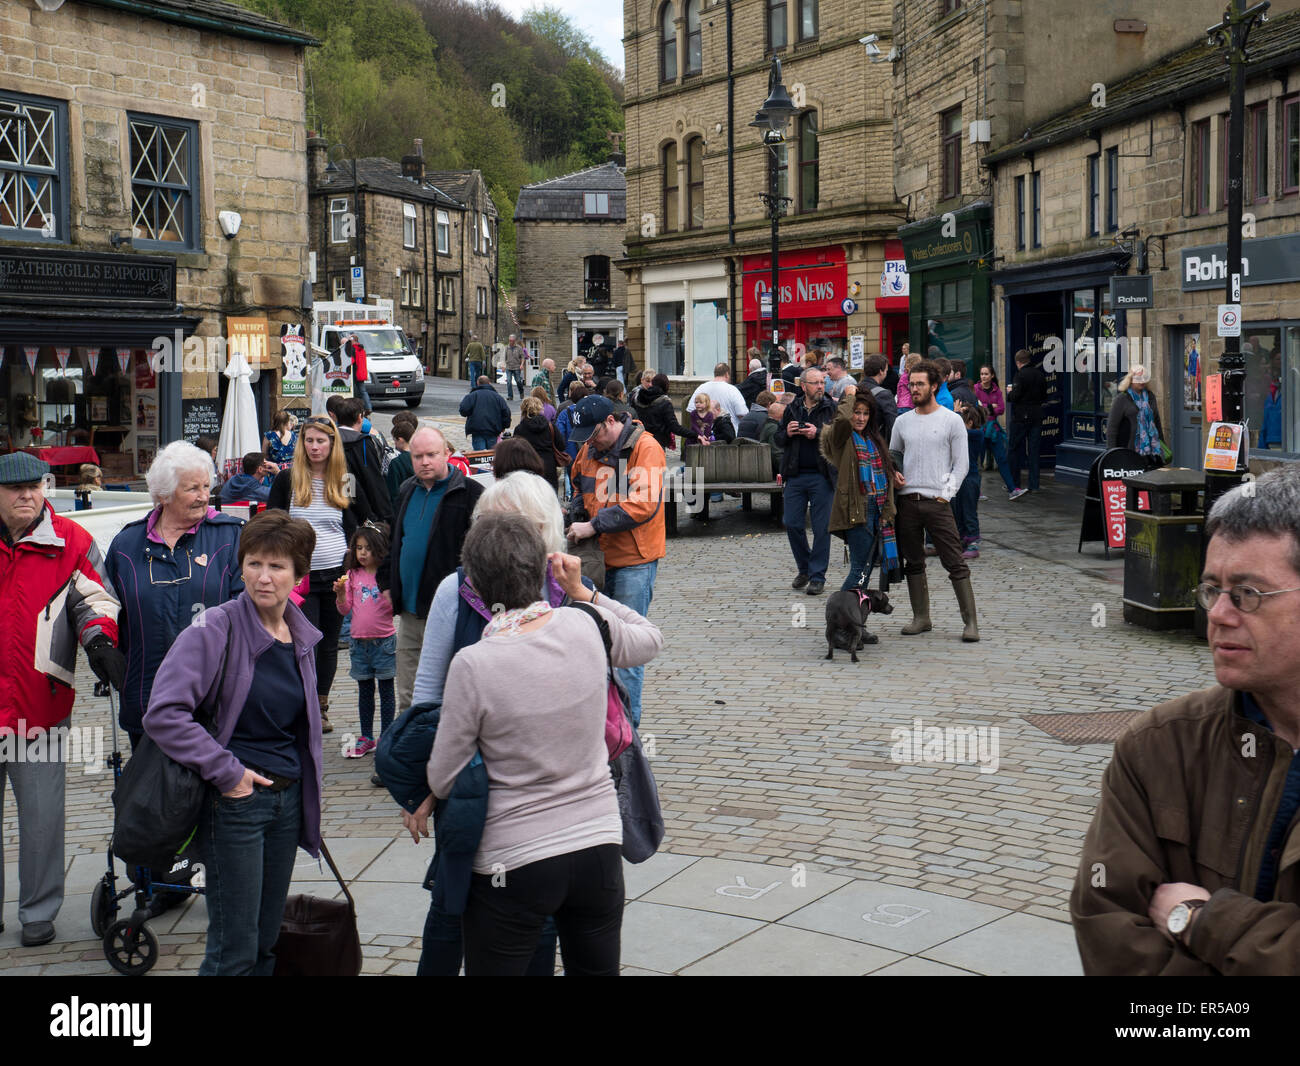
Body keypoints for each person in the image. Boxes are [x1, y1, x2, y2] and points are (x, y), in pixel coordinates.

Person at [1070, 465, 1300, 975]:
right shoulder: (1159, 746)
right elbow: (1107, 926)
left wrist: (1199, 921)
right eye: (1212, 589)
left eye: (1248, 593)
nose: (1218, 613)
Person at [428, 513, 663, 975]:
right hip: (596, 843)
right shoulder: (583, 626)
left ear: (473, 581)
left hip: (513, 858)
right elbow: (650, 639)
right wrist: (586, 593)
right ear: (542, 568)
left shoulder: (474, 664)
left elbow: (443, 775)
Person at [406, 471, 591, 975]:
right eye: (490, 523)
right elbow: (428, 694)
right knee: (450, 905)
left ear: (544, 529)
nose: (499, 537)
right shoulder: (455, 590)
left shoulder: (574, 593)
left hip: (544, 793)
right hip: (468, 785)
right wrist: (423, 786)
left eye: (514, 525)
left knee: (536, 921)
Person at [144, 510, 324, 976]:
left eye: (277, 566)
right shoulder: (214, 628)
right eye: (254, 564)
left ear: (299, 574)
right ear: (240, 566)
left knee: (266, 942)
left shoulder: (300, 634)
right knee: (233, 949)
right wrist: (229, 774)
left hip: (286, 802)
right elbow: (164, 714)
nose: (264, 577)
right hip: (237, 805)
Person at [0, 452, 123, 947]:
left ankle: (38, 911)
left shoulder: (72, 543)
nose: (28, 496)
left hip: (39, 706)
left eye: (36, 486)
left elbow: (96, 598)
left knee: (42, 818)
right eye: (15, 490)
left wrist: (98, 639)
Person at [107, 440, 245, 747]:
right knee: (151, 789)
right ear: (165, 494)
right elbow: (107, 607)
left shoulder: (230, 536)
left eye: (207, 486)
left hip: (213, 694)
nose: (204, 497)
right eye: (192, 488)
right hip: (145, 690)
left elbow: (246, 604)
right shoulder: (127, 544)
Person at [566, 394, 666, 726]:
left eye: (594, 435)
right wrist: (579, 507)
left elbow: (642, 506)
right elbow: (578, 480)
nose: (590, 443)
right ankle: (608, 732)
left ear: (611, 421)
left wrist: (592, 524)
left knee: (626, 651)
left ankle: (627, 738)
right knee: (595, 648)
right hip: (599, 558)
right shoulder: (589, 447)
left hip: (634, 560)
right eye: (585, 439)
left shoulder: (645, 448)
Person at [267, 415, 371, 734]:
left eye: (321, 441)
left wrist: (356, 560)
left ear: (332, 444)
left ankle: (321, 705)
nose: (314, 447)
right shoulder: (287, 480)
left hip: (337, 574)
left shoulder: (344, 479)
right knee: (304, 642)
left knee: (327, 643)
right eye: (309, 441)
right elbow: (272, 523)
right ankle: (305, 703)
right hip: (301, 577)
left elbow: (359, 520)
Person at [388, 427, 484, 717]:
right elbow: (395, 540)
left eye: (431, 455)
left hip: (449, 610)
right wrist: (386, 582)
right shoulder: (406, 490)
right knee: (408, 690)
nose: (424, 462)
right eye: (418, 456)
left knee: (448, 688)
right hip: (409, 610)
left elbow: (480, 554)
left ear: (447, 454)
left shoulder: (471, 494)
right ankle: (411, 752)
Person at [890, 359, 978, 642]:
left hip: (937, 502)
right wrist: (894, 475)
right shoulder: (902, 422)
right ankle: (921, 617)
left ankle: (970, 622)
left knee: (955, 562)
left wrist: (946, 495)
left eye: (920, 384)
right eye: (911, 384)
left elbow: (961, 464)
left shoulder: (952, 420)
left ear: (934, 386)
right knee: (913, 561)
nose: (914, 389)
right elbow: (893, 458)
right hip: (907, 502)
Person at [821, 386, 898, 594]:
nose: (861, 418)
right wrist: (849, 396)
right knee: (858, 570)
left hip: (877, 509)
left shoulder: (873, 440)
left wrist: (887, 509)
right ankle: (840, 615)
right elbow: (843, 421)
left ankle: (853, 620)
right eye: (857, 412)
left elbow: (883, 474)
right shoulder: (842, 440)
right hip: (857, 509)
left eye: (865, 413)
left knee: (865, 570)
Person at [334, 521, 395, 759]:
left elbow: (395, 606)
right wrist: (340, 594)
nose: (362, 553)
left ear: (380, 549)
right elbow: (345, 609)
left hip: (385, 642)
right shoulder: (352, 575)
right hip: (358, 643)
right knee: (365, 691)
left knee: (387, 691)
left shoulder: (385, 576)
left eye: (368, 548)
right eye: (358, 548)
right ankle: (366, 737)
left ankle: (387, 736)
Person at [776, 368, 838, 596]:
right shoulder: (792, 407)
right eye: (815, 383)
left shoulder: (831, 408)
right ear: (803, 386)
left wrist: (819, 432)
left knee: (822, 528)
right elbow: (778, 438)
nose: (821, 386)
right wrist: (788, 433)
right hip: (795, 474)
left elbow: (841, 438)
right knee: (791, 522)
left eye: (823, 382)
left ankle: (817, 576)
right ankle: (805, 568)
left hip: (822, 475)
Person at [331, 396, 393, 524]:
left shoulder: (328, 440)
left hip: (333, 507)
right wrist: (386, 516)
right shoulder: (364, 443)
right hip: (360, 511)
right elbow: (372, 480)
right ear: (360, 417)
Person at [974, 364, 1024, 498]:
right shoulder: (975, 389)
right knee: (979, 462)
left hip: (994, 431)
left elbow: (1001, 409)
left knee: (1002, 460)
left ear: (992, 376)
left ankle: (1013, 490)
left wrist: (985, 407)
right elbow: (975, 407)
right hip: (980, 429)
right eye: (981, 374)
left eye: (986, 374)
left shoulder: (997, 390)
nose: (983, 376)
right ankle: (976, 492)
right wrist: (990, 407)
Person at [1106, 363, 1166, 469]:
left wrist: (1162, 447)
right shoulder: (1122, 399)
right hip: (1129, 452)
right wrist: (1112, 454)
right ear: (1130, 379)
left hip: (1152, 453)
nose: (1142, 381)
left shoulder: (1151, 396)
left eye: (1144, 378)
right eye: (1138, 378)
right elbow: (1112, 429)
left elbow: (1157, 423)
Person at [1007, 348, 1048, 494]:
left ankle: (1013, 483)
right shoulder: (1040, 375)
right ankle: (1034, 485)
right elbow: (1044, 396)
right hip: (1037, 416)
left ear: (1018, 362)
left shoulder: (1020, 375)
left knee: (1013, 449)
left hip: (1021, 417)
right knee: (1034, 451)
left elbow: (1015, 397)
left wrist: (1009, 393)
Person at [951, 401, 985, 559]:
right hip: (961, 478)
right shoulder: (969, 434)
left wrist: (956, 414)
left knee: (969, 510)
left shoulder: (976, 434)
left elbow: (960, 433)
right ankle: (963, 538)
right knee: (959, 510)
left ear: (969, 423)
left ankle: (973, 541)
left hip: (971, 478)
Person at [632, 374, 700, 452]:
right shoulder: (665, 403)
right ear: (666, 386)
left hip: (641, 440)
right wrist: (695, 435)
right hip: (657, 444)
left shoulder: (639, 398)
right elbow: (675, 427)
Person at [513, 396, 564, 490]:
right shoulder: (550, 426)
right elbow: (561, 446)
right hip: (549, 467)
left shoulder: (519, 429)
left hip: (528, 467)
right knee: (550, 498)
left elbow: (516, 452)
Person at [688, 363, 748, 434]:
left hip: (705, 436)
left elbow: (691, 410)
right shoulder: (732, 390)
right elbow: (742, 413)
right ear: (727, 374)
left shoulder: (701, 388)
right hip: (729, 436)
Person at [460, 375, 512, 452]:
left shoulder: (472, 396)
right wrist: (504, 426)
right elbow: (506, 413)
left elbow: (463, 410)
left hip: (477, 430)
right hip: (493, 430)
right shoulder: (498, 397)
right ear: (489, 383)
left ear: (478, 383)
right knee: (492, 455)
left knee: (479, 455)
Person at [861, 354, 899, 438]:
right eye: (886, 370)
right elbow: (892, 426)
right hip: (874, 445)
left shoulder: (849, 391)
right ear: (881, 371)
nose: (886, 373)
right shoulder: (884, 395)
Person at [386, 418, 416, 503]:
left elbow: (393, 492)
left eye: (395, 440)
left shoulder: (396, 463)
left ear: (400, 439)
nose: (394, 443)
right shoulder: (421, 457)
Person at [503, 334, 527, 401]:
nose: (511, 342)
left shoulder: (519, 348)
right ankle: (510, 396)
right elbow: (504, 358)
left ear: (514, 341)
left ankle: (521, 392)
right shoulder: (506, 348)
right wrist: (503, 366)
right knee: (509, 381)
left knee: (518, 381)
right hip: (509, 367)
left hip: (517, 367)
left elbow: (523, 357)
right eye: (510, 340)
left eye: (512, 341)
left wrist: (521, 364)